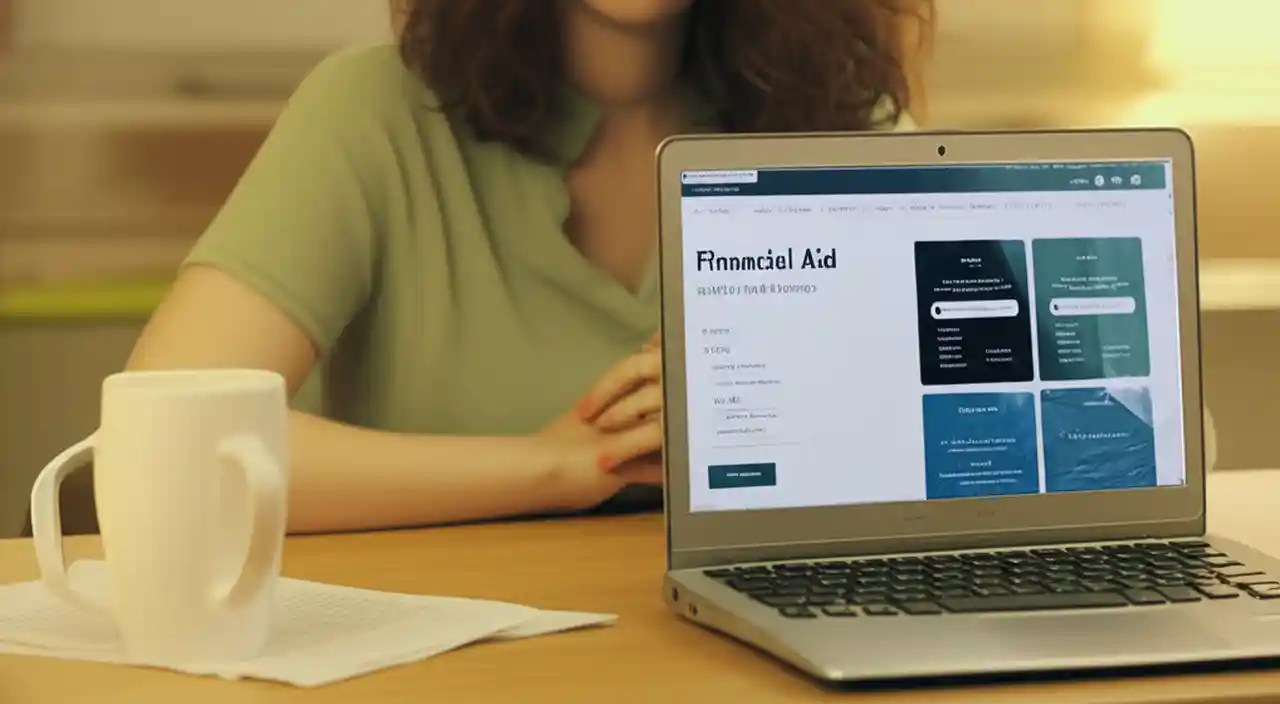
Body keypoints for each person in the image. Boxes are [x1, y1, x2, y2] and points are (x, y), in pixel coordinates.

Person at [126, 0, 932, 533]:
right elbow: (161, 445)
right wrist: (560, 466)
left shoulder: (837, 118)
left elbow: (986, 430)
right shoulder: (369, 113)